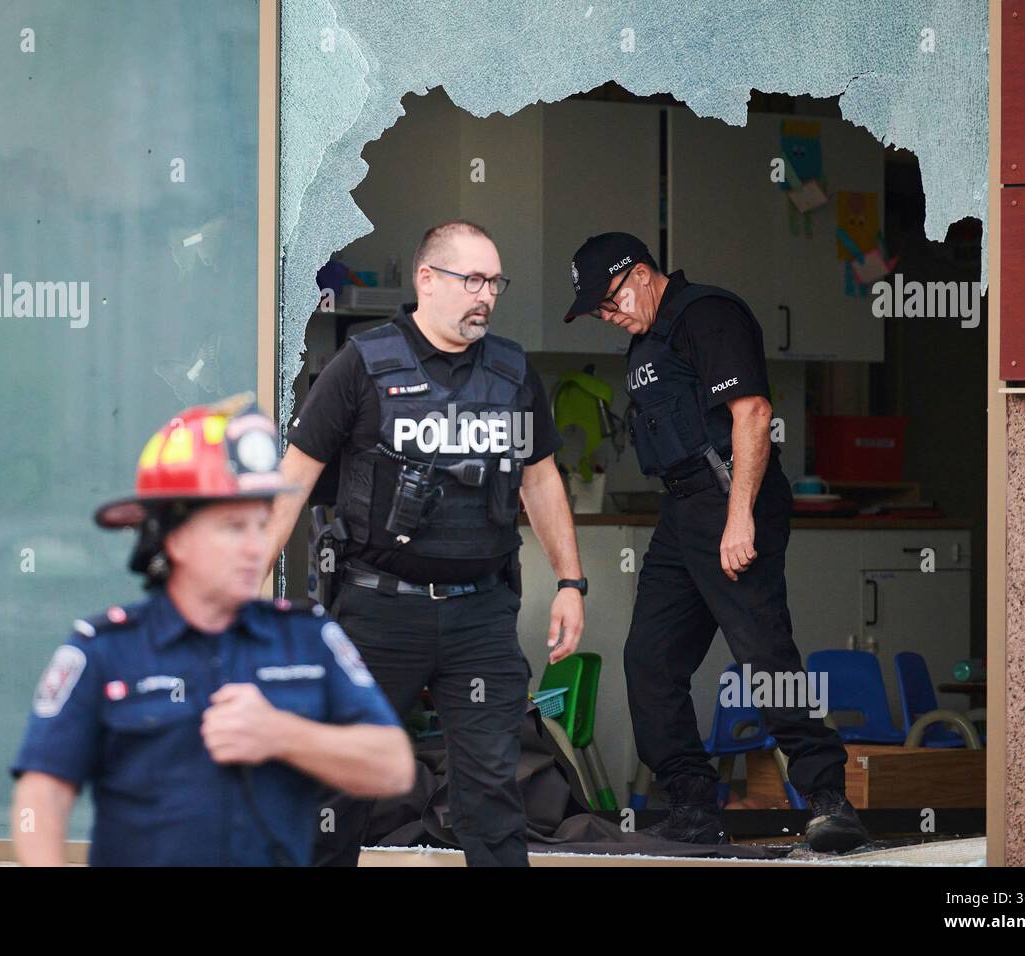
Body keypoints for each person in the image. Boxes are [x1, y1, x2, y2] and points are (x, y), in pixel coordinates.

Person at [263, 220, 586, 866]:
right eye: (473, 280)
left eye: (495, 282)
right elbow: (294, 477)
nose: (486, 296)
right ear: (427, 281)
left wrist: (571, 582)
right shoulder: (364, 363)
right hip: (378, 612)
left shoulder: (512, 371)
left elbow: (540, 479)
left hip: (481, 616)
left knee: (493, 794)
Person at [9, 395, 415, 866]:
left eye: (260, 525)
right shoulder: (104, 652)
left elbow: (392, 767)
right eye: (232, 527)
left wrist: (280, 734)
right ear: (175, 539)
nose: (254, 546)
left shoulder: (308, 639)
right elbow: (41, 798)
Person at [562, 232, 868, 853]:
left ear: (642, 275)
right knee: (650, 657)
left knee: (762, 652)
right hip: (682, 510)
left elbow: (751, 414)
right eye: (599, 310)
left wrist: (739, 517)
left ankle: (830, 801)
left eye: (612, 299)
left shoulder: (707, 314)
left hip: (731, 496)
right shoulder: (646, 338)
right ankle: (693, 806)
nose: (610, 315)